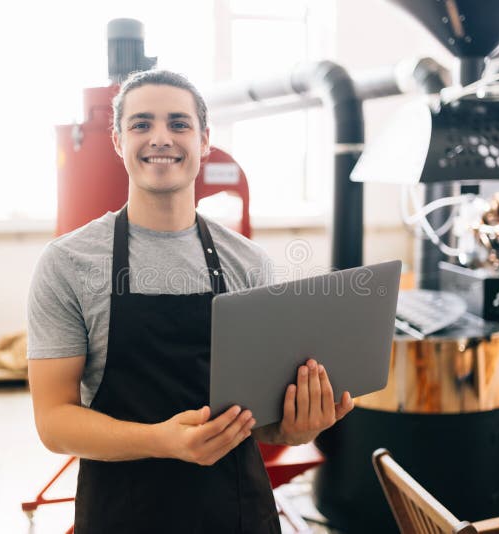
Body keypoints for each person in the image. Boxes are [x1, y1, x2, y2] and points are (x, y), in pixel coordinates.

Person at [27, 69, 355, 533]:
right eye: (141, 124)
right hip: (122, 514)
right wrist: (161, 440)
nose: (160, 137)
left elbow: (260, 421)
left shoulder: (249, 264)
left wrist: (299, 427)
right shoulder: (68, 263)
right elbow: (53, 422)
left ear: (204, 141)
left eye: (178, 124)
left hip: (235, 512)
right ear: (118, 141)